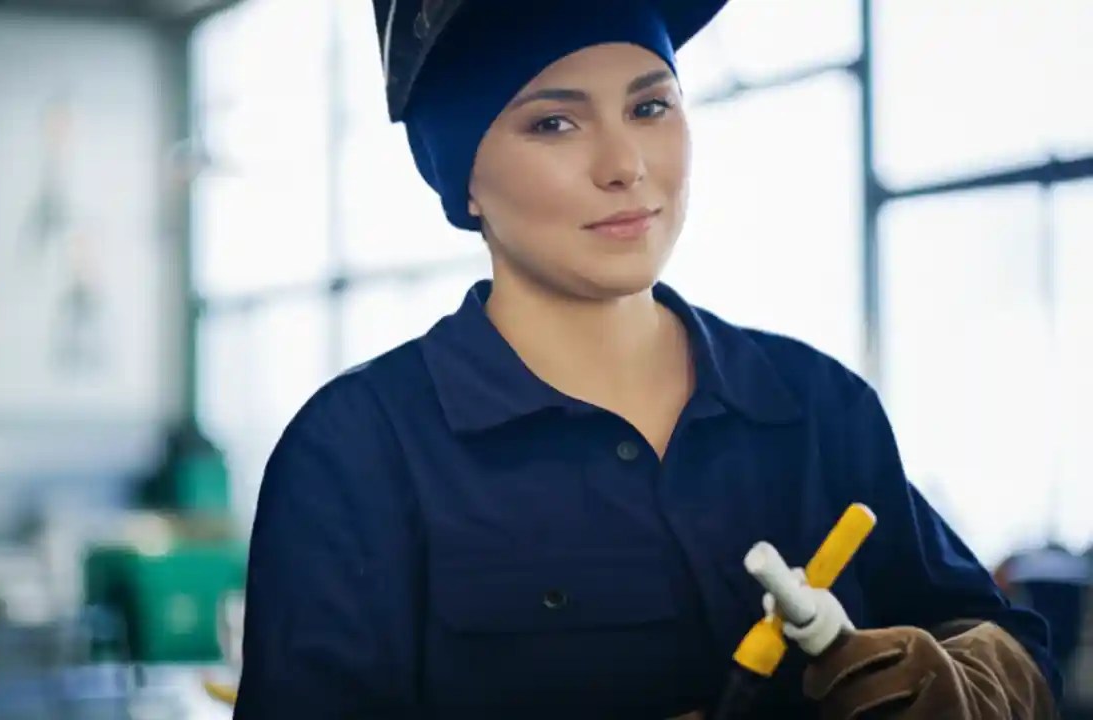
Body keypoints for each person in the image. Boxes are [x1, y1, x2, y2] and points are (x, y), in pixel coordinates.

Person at [233, 0, 1061, 717]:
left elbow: (1003, 637)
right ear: (465, 178)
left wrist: (965, 685)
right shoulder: (357, 454)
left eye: (650, 107)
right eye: (554, 122)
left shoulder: (815, 406)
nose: (625, 167)